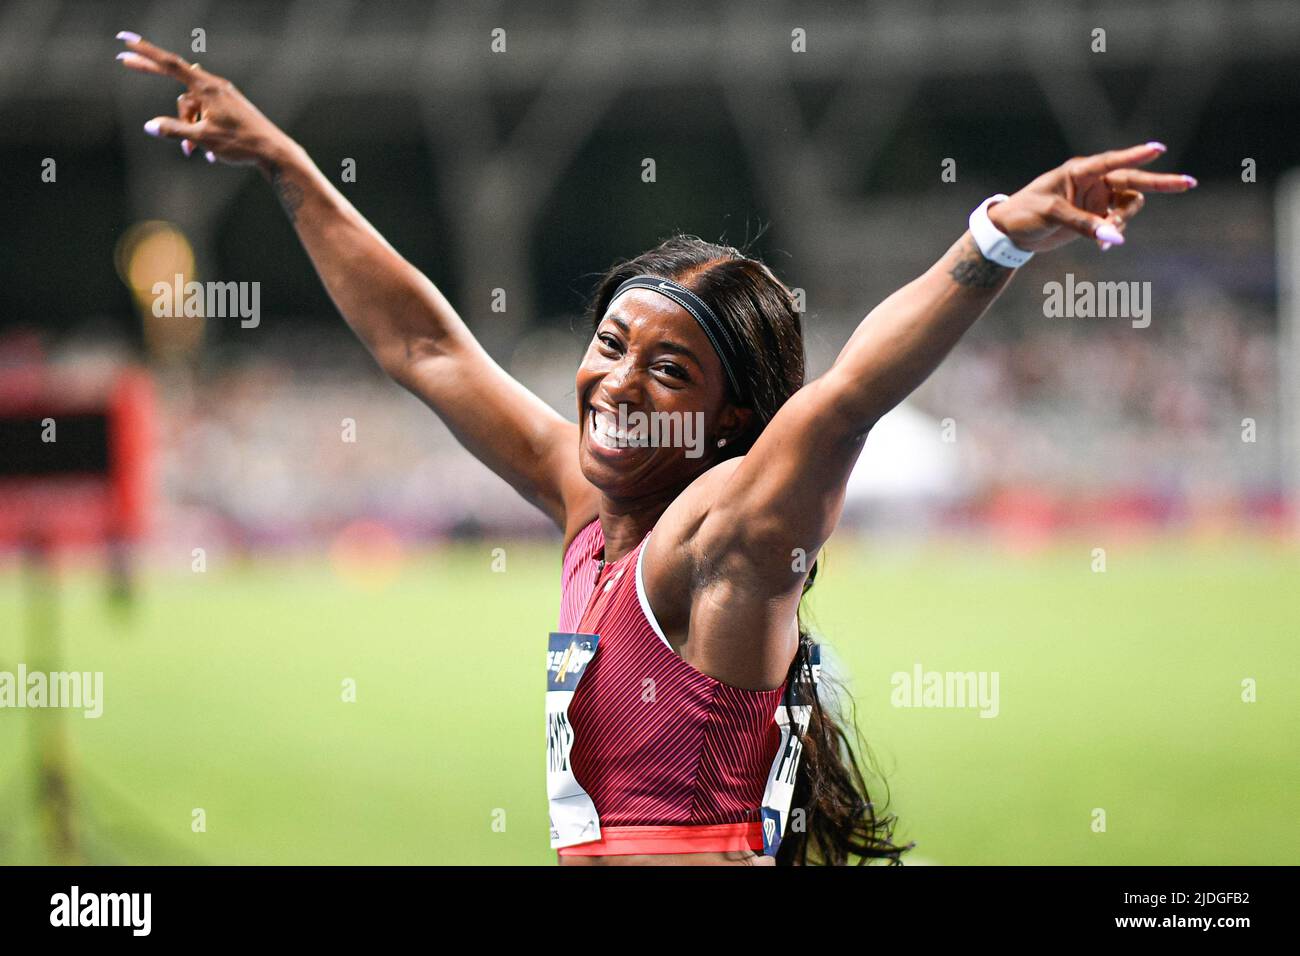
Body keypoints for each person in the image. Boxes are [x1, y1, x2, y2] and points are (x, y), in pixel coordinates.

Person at [116, 31, 1195, 865]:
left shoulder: (725, 532)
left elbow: (848, 398)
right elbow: (425, 347)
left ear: (731, 421)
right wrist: (285, 162)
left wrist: (997, 237)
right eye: (610, 343)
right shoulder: (588, 510)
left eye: (669, 368)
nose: (619, 382)